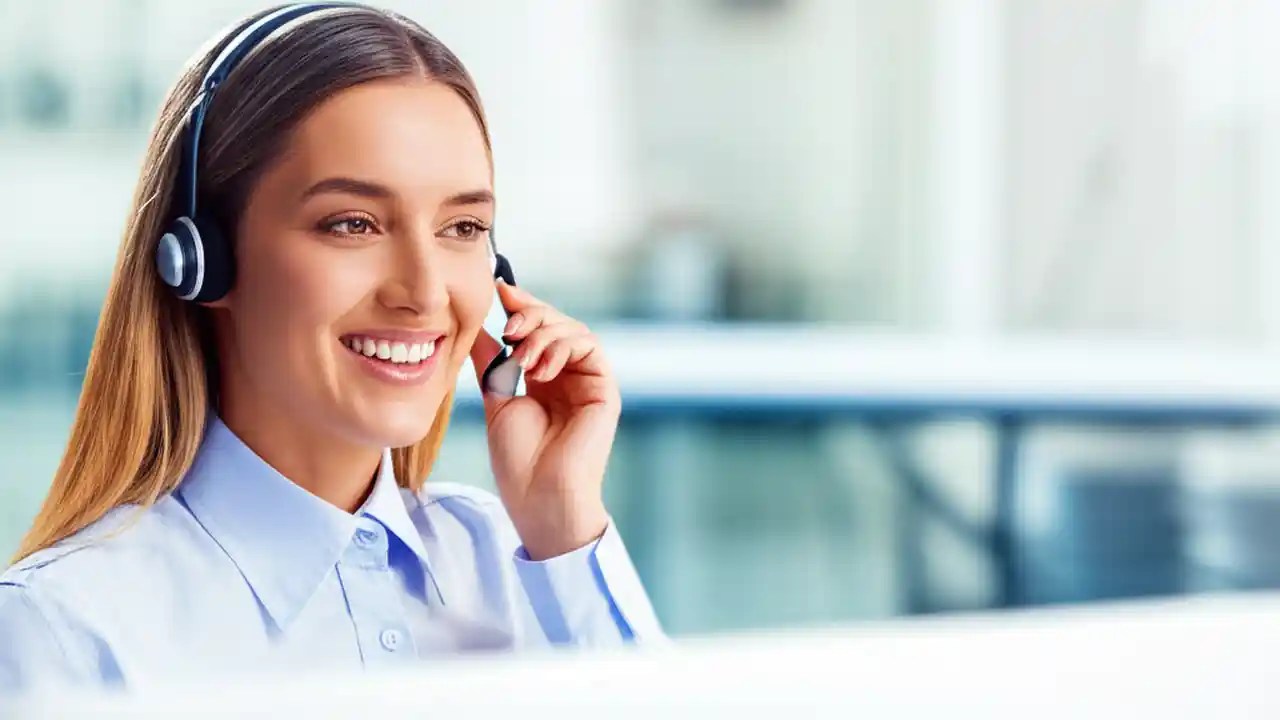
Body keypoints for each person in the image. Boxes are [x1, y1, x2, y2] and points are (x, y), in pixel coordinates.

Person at [0, 2, 662, 693]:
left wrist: (566, 527)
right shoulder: (66, 631)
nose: (425, 292)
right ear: (204, 259)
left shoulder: (523, 562)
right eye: (353, 224)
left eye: (463, 227)